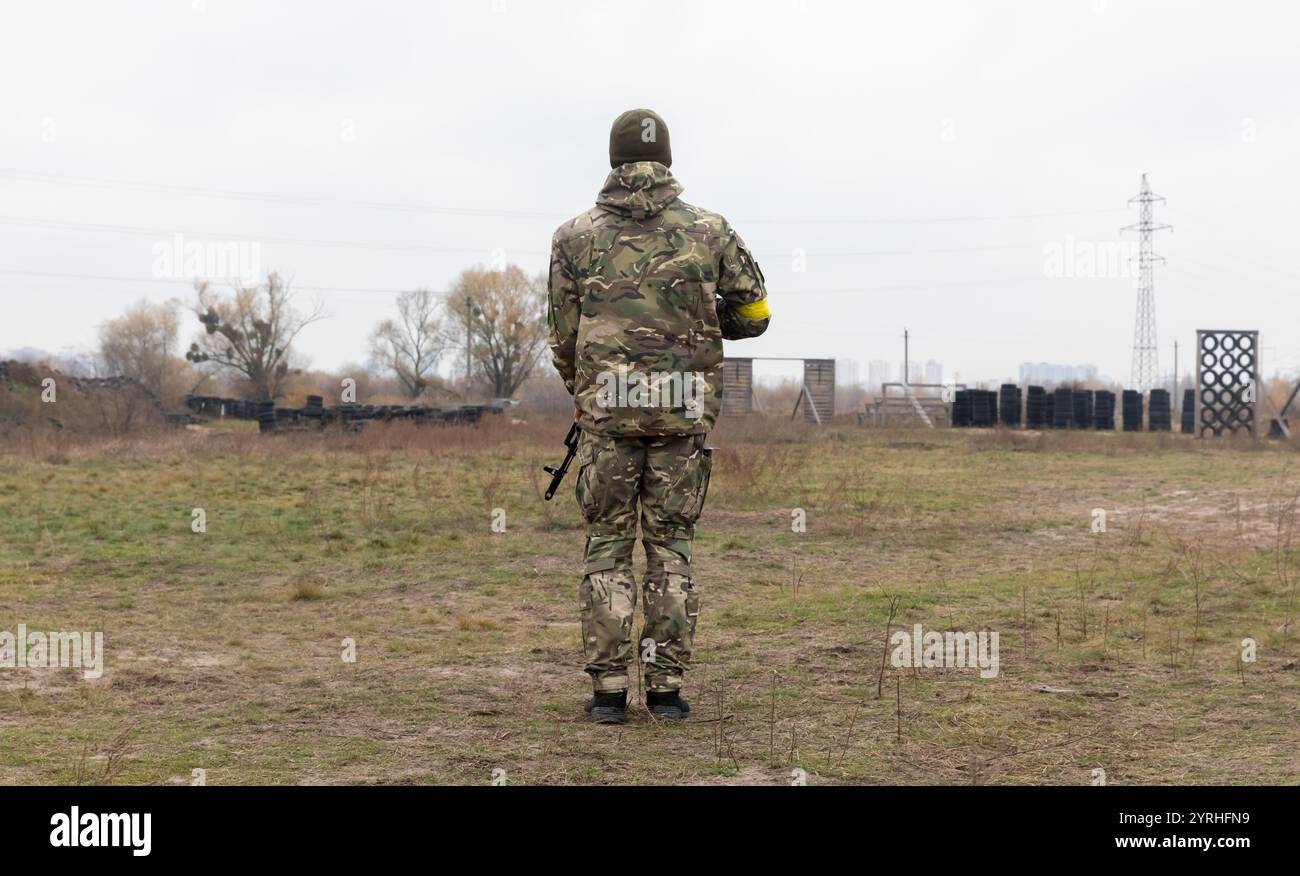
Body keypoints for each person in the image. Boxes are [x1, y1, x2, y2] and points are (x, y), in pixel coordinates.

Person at [547, 108, 770, 724]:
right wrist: (703, 321)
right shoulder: (711, 230)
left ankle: (610, 692)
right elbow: (755, 314)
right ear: (666, 159)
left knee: (608, 546)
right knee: (672, 548)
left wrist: (589, 391)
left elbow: (562, 338)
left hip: (606, 420)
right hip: (684, 418)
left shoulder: (572, 238)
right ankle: (667, 690)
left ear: (613, 159)